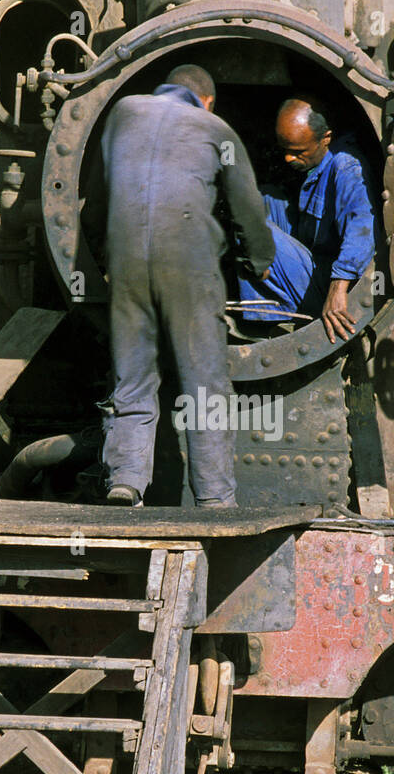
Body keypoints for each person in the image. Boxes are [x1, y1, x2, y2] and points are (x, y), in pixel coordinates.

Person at [99, 64, 274, 507]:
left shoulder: (123, 112)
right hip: (189, 265)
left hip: (124, 261)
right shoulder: (219, 131)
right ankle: (215, 496)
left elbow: (96, 196)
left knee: (133, 374)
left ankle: (126, 479)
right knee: (204, 383)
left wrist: (104, 259)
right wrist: (260, 260)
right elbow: (246, 206)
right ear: (208, 100)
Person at [236, 97, 381, 343]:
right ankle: (268, 291)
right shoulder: (326, 159)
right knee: (262, 198)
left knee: (256, 231)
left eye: (298, 152)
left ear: (326, 138)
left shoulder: (347, 167)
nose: (288, 159)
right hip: (314, 255)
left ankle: (267, 319)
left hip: (327, 284)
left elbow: (363, 227)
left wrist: (338, 287)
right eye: (285, 150)